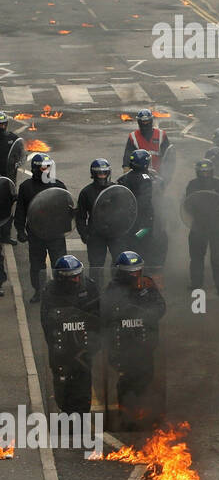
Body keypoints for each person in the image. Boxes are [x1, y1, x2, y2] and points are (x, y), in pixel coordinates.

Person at [101, 251, 166, 426]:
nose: (136, 275)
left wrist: (147, 315)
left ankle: (143, 412)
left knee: (145, 377)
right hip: (123, 346)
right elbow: (106, 316)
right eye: (132, 272)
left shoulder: (147, 285)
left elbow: (160, 306)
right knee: (127, 380)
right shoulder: (113, 290)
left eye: (138, 270)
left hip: (144, 343)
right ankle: (126, 415)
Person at [40, 255, 100, 414]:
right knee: (63, 386)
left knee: (83, 385)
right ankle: (65, 415)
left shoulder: (89, 288)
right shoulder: (50, 292)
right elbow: (47, 323)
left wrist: (93, 344)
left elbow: (99, 317)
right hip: (63, 349)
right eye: (72, 277)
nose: (76, 280)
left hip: (83, 348)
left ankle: (82, 419)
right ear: (61, 278)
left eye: (77, 275)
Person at [15, 152, 69, 304]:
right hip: (36, 234)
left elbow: (67, 209)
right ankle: (39, 291)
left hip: (55, 234)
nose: (46, 170)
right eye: (43, 168)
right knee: (37, 265)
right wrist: (20, 230)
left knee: (60, 264)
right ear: (35, 169)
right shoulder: (26, 187)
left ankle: (62, 291)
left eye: (48, 167)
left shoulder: (58, 185)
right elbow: (21, 211)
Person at [185, 159, 219, 296]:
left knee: (218, 259)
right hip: (198, 226)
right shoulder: (192, 185)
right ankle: (196, 285)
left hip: (217, 227)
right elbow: (188, 205)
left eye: (207, 171)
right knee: (196, 258)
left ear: (212, 171)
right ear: (197, 172)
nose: (205, 174)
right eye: (202, 171)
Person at [117, 148, 166, 274]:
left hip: (128, 222)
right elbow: (145, 201)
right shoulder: (146, 178)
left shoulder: (124, 178)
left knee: (130, 245)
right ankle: (145, 274)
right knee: (144, 246)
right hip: (143, 224)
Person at [75, 159, 116, 285]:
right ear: (93, 174)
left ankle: (118, 288)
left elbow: (126, 209)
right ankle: (95, 291)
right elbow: (80, 216)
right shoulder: (86, 192)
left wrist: (125, 230)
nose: (102, 176)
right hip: (96, 234)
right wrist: (84, 233)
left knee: (119, 262)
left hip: (115, 232)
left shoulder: (116, 189)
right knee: (96, 266)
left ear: (108, 173)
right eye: (99, 173)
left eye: (104, 172)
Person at [0, 110, 22, 244]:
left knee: (8, 207)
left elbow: (20, 155)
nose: (1, 127)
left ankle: (6, 235)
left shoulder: (13, 139)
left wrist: (18, 162)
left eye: (3, 124)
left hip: (8, 180)